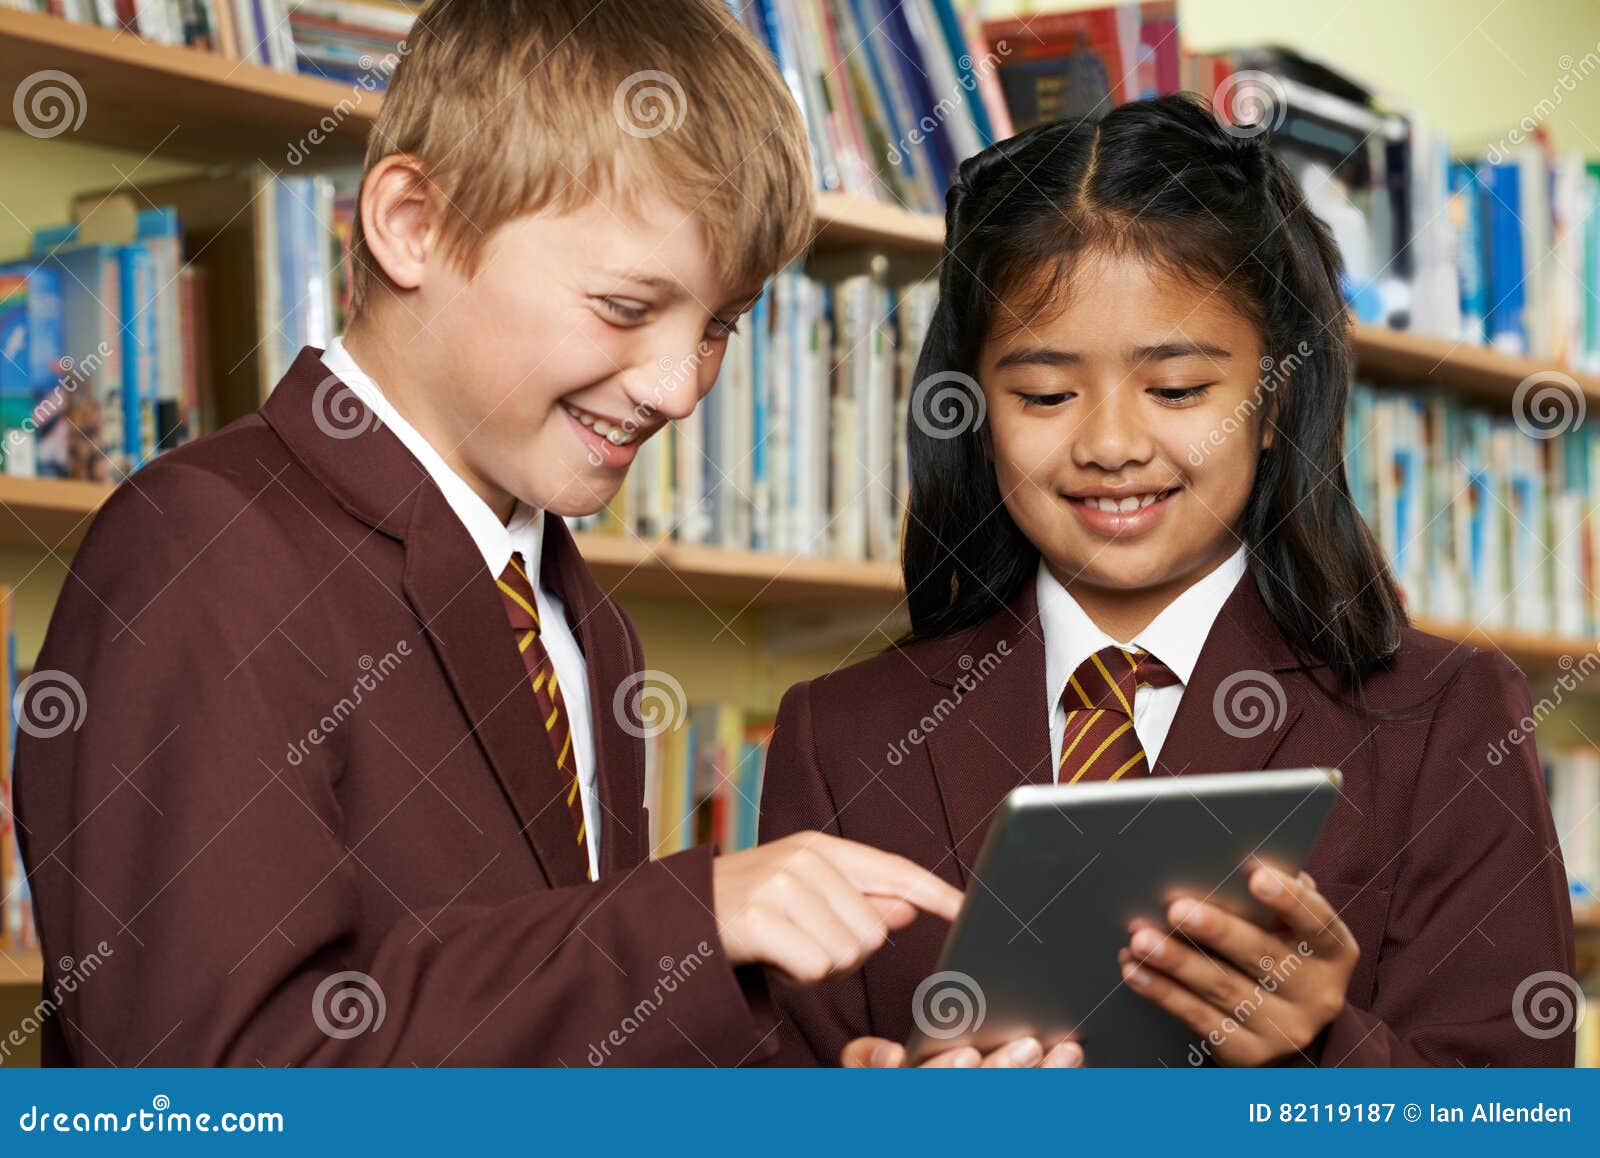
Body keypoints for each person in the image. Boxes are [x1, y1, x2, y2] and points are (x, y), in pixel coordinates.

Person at [14, 0, 981, 1066]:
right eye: (622, 307)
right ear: (413, 224)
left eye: (717, 327)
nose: (677, 388)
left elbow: (554, 1047)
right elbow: (198, 1088)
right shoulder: (200, 547)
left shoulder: (584, 621)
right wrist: (684, 918)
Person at [757, 94, 1577, 1068]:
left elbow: (1514, 1117)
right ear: (973, 407)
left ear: (1275, 399)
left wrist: (1318, 1046)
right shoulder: (841, 737)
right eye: (1045, 395)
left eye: (1179, 389)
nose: (1110, 445)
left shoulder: (1446, 722)